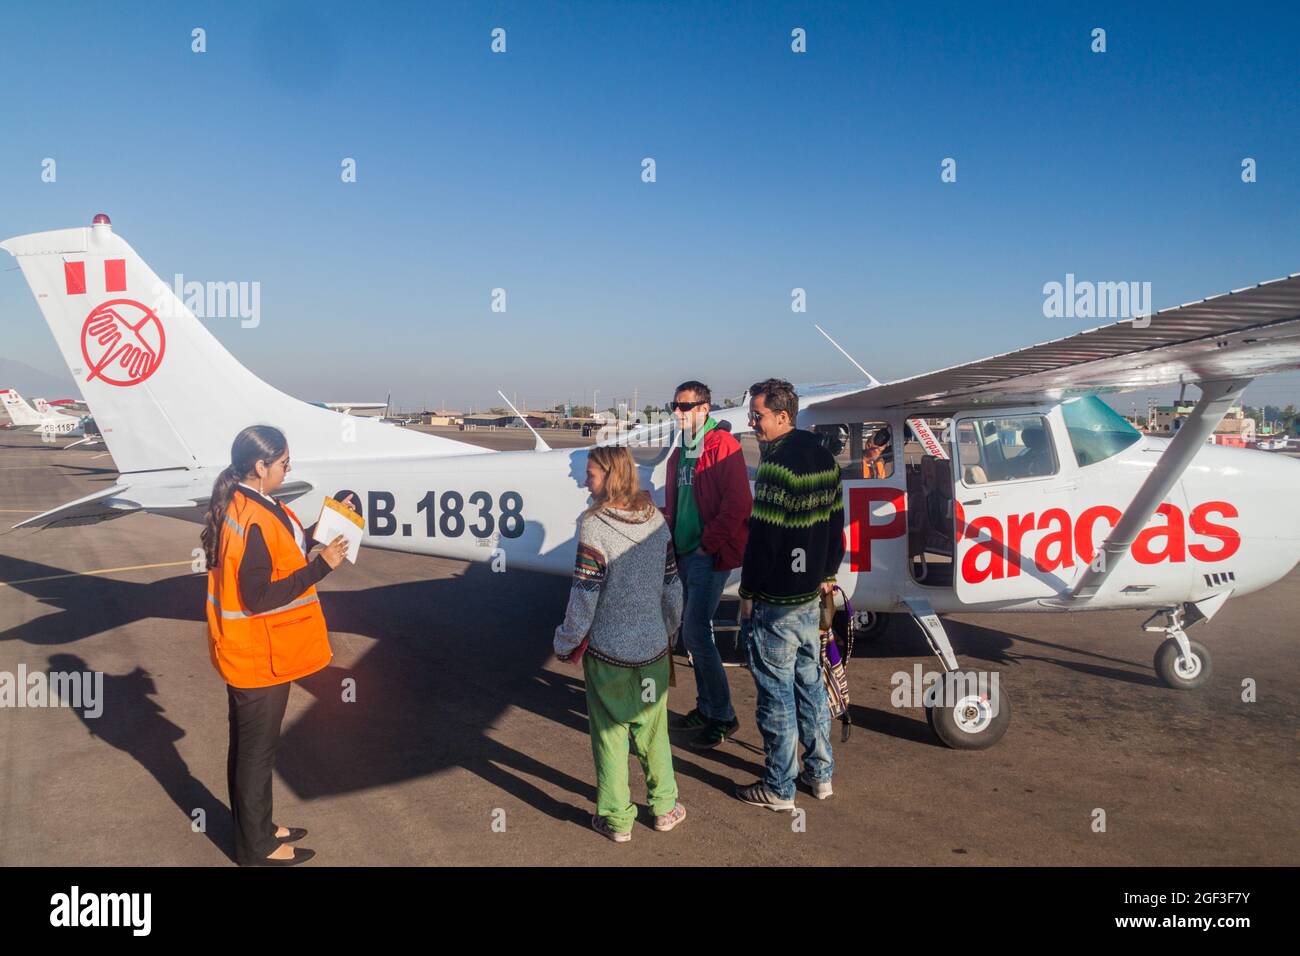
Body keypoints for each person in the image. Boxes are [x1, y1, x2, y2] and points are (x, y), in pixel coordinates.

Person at [200, 425, 353, 866]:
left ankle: (259, 827)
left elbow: (284, 544)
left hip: (258, 653)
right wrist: (321, 568)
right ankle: (255, 850)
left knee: (251, 753)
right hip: (257, 657)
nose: (290, 468)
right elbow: (259, 596)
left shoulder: (254, 504)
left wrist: (328, 524)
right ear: (260, 467)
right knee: (254, 756)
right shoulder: (251, 518)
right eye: (285, 463)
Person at [554, 445, 686, 842]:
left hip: (609, 655)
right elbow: (673, 586)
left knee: (611, 739)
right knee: (653, 733)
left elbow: (584, 596)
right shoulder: (657, 521)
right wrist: (668, 630)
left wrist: (566, 641)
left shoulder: (594, 527)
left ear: (609, 476)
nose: (583, 480)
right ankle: (665, 808)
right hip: (652, 653)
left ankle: (617, 820)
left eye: (590, 474)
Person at [735, 379, 845, 811]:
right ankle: (820, 774)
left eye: (758, 415)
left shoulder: (777, 464)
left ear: (783, 416)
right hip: (810, 596)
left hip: (777, 602)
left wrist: (748, 591)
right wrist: (827, 573)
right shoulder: (823, 455)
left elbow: (764, 538)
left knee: (775, 695)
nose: (752, 423)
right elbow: (837, 523)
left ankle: (780, 786)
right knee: (810, 686)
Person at [662, 381, 752, 749]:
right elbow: (681, 500)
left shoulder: (723, 445)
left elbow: (737, 505)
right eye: (675, 406)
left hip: (707, 556)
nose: (678, 413)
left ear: (705, 408)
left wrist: (706, 546)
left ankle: (724, 715)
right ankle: (709, 706)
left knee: (697, 633)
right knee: (695, 635)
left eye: (685, 407)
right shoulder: (685, 447)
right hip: (686, 552)